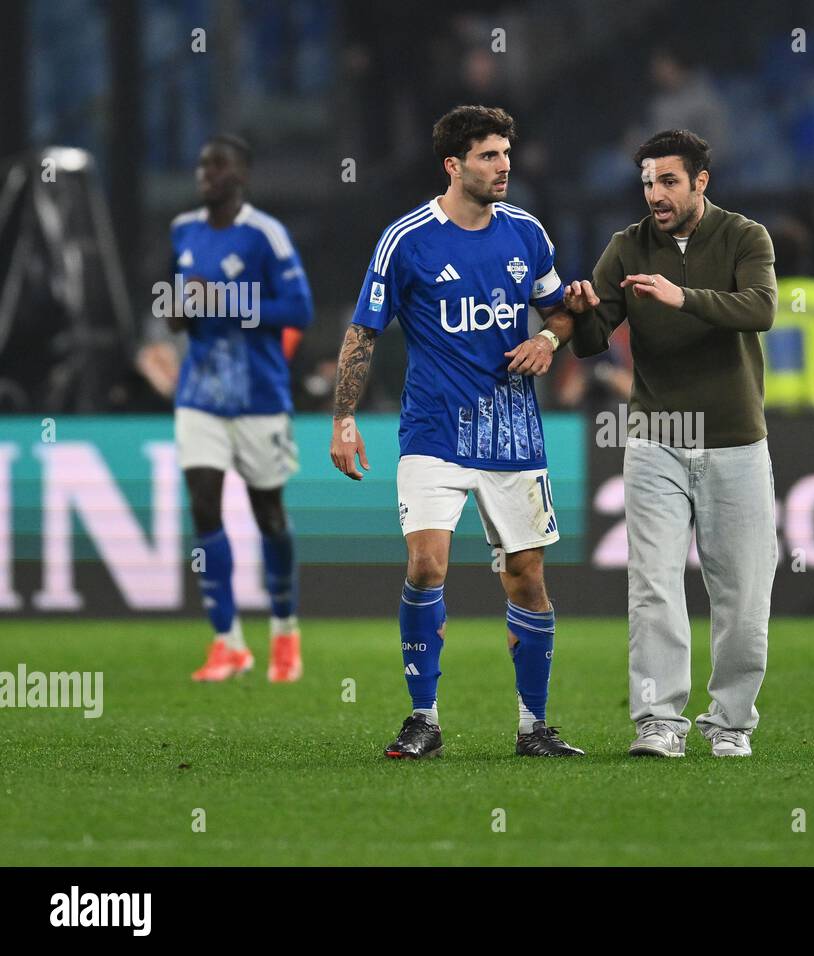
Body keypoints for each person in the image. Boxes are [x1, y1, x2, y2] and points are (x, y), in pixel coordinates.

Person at [329, 105, 585, 759]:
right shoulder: (407, 239)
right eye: (489, 156)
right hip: (433, 432)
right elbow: (363, 332)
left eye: (506, 154)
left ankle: (534, 726)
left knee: (526, 577)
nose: (504, 166)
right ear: (454, 165)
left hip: (512, 433)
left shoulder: (527, 233)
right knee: (426, 564)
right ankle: (424, 718)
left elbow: (561, 314)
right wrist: (343, 417)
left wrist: (549, 341)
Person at [565, 129, 778, 757]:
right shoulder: (626, 247)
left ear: (700, 182)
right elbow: (592, 339)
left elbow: (760, 309)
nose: (655, 194)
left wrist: (681, 297)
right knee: (653, 583)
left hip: (736, 437)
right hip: (656, 435)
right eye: (647, 183)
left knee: (742, 593)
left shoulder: (745, 237)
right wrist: (581, 310)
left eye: (668, 181)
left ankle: (732, 721)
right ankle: (658, 720)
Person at [171, 134, 313, 683]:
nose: (206, 172)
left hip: (258, 397)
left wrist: (225, 300)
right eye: (203, 163)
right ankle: (227, 641)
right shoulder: (183, 229)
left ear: (242, 176)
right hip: (200, 395)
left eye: (219, 165)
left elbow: (297, 308)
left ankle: (284, 629)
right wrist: (178, 312)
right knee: (204, 505)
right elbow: (177, 302)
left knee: (267, 516)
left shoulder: (265, 234)